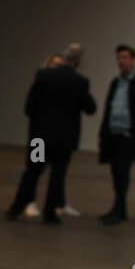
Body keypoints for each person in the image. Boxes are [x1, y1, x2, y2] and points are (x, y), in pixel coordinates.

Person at [5, 43, 95, 224]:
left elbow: (29, 107)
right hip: (64, 140)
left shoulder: (43, 76)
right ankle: (50, 213)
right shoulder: (80, 82)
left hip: (40, 137)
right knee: (57, 175)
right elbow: (90, 108)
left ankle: (17, 207)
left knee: (32, 171)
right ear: (78, 62)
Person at [98, 44, 135, 225]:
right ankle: (118, 208)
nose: (121, 61)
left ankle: (119, 208)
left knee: (123, 171)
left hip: (127, 134)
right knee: (115, 172)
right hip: (113, 132)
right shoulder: (116, 82)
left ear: (132, 59)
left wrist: (133, 130)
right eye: (119, 58)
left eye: (124, 57)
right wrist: (103, 132)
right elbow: (109, 108)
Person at [23, 55, 79, 219]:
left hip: (56, 140)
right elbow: (29, 108)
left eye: (59, 65)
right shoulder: (40, 85)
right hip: (39, 139)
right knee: (34, 170)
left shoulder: (63, 88)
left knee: (58, 172)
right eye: (54, 65)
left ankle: (59, 203)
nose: (57, 68)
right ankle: (29, 202)